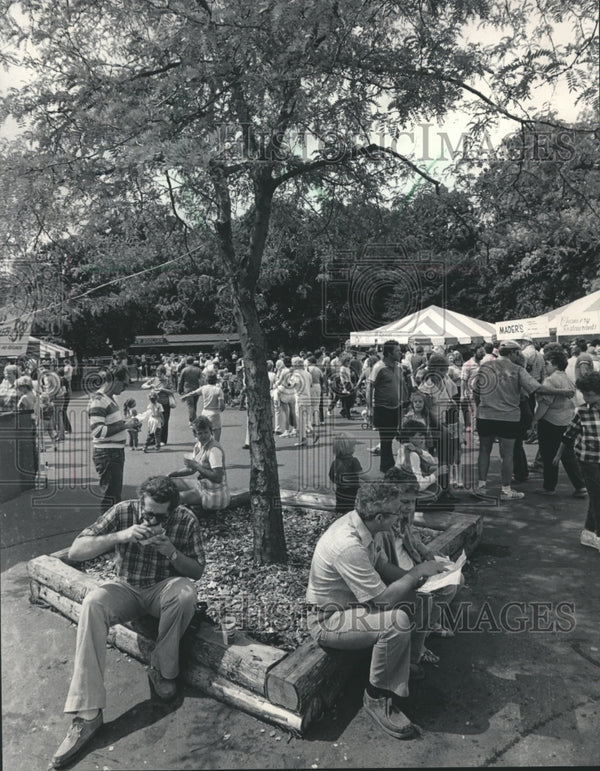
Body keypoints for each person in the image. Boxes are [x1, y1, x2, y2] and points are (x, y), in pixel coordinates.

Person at [50, 476, 205, 769]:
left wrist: (170, 551)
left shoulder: (185, 519)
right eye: (148, 513)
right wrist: (120, 536)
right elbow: (75, 551)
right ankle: (88, 711)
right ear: (140, 504)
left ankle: (161, 669)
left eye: (160, 516)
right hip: (127, 587)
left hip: (163, 587)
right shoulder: (123, 511)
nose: (152, 520)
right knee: (93, 604)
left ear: (172, 510)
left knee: (185, 596)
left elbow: (196, 571)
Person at [306, 479, 446, 739]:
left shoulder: (367, 526)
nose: (402, 514)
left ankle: (405, 667)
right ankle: (376, 696)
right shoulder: (348, 545)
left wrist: (417, 579)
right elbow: (381, 602)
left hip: (353, 606)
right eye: (397, 511)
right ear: (380, 516)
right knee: (396, 622)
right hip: (329, 619)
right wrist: (415, 573)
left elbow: (382, 567)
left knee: (423, 599)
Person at [471, 340, 574, 501]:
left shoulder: (485, 367)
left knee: (484, 451)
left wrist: (482, 405)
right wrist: (562, 392)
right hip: (508, 417)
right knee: (507, 454)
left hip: (485, 415)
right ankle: (505, 490)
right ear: (513, 353)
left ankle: (481, 487)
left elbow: (475, 390)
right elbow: (537, 388)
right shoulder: (517, 369)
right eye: (517, 352)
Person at [554, 372, 600, 551]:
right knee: (598, 498)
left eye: (589, 394)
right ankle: (597, 536)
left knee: (597, 497)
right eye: (584, 394)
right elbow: (568, 435)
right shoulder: (582, 411)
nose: (586, 398)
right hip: (587, 461)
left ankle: (588, 533)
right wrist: (558, 455)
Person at [534, 348, 587, 498]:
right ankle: (580, 485)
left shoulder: (550, 380)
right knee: (567, 455)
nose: (545, 366)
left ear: (554, 364)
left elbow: (544, 405)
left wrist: (534, 420)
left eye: (547, 363)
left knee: (549, 454)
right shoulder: (567, 379)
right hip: (566, 421)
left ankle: (549, 487)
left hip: (550, 422)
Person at [89, 366, 136, 513]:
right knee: (111, 498)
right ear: (115, 380)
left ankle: (113, 528)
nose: (125, 388)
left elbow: (111, 424)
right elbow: (98, 431)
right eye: (125, 384)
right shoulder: (99, 400)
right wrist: (125, 425)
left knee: (114, 497)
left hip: (113, 452)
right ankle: (107, 530)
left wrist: (128, 425)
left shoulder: (110, 399)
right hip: (107, 454)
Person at [366, 340, 412, 473]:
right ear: (389, 353)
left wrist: (406, 401)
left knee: (400, 436)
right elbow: (369, 387)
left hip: (397, 408)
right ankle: (387, 469)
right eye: (397, 351)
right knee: (386, 440)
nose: (400, 353)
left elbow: (402, 385)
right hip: (383, 408)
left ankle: (400, 465)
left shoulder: (399, 367)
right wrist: (369, 408)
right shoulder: (378, 367)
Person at [169, 416, 230, 511]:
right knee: (170, 483)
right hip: (203, 485)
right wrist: (171, 475)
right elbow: (191, 470)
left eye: (206, 432)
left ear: (211, 431)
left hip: (214, 494)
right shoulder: (198, 446)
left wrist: (197, 466)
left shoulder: (214, 450)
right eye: (200, 433)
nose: (204, 436)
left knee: (175, 498)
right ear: (195, 435)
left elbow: (218, 478)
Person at [396, 418, 442, 497]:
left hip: (400, 490)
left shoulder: (402, 449)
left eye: (423, 435)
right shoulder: (413, 455)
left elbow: (431, 461)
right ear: (410, 437)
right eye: (419, 436)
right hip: (409, 494)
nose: (423, 438)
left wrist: (419, 450)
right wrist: (435, 474)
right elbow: (419, 486)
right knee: (437, 489)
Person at [329, 433, 364, 515]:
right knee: (352, 510)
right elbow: (361, 475)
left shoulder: (335, 462)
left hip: (340, 491)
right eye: (353, 447)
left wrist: (336, 482)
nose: (354, 449)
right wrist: (374, 481)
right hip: (352, 491)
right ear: (349, 449)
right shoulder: (353, 461)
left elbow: (331, 475)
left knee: (340, 509)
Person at [141, 365, 175, 445]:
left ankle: (163, 440)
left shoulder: (167, 380)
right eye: (157, 373)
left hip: (164, 403)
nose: (158, 375)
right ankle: (154, 439)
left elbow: (172, 391)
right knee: (154, 421)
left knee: (164, 421)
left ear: (164, 373)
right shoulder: (154, 379)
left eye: (160, 374)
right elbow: (143, 386)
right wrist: (150, 386)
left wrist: (163, 389)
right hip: (154, 403)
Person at [177, 357, 203, 424]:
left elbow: (181, 381)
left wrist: (180, 390)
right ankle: (194, 418)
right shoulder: (198, 370)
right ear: (193, 362)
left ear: (186, 362)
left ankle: (192, 420)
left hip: (187, 389)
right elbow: (202, 380)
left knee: (190, 405)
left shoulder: (184, 370)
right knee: (194, 404)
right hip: (196, 389)